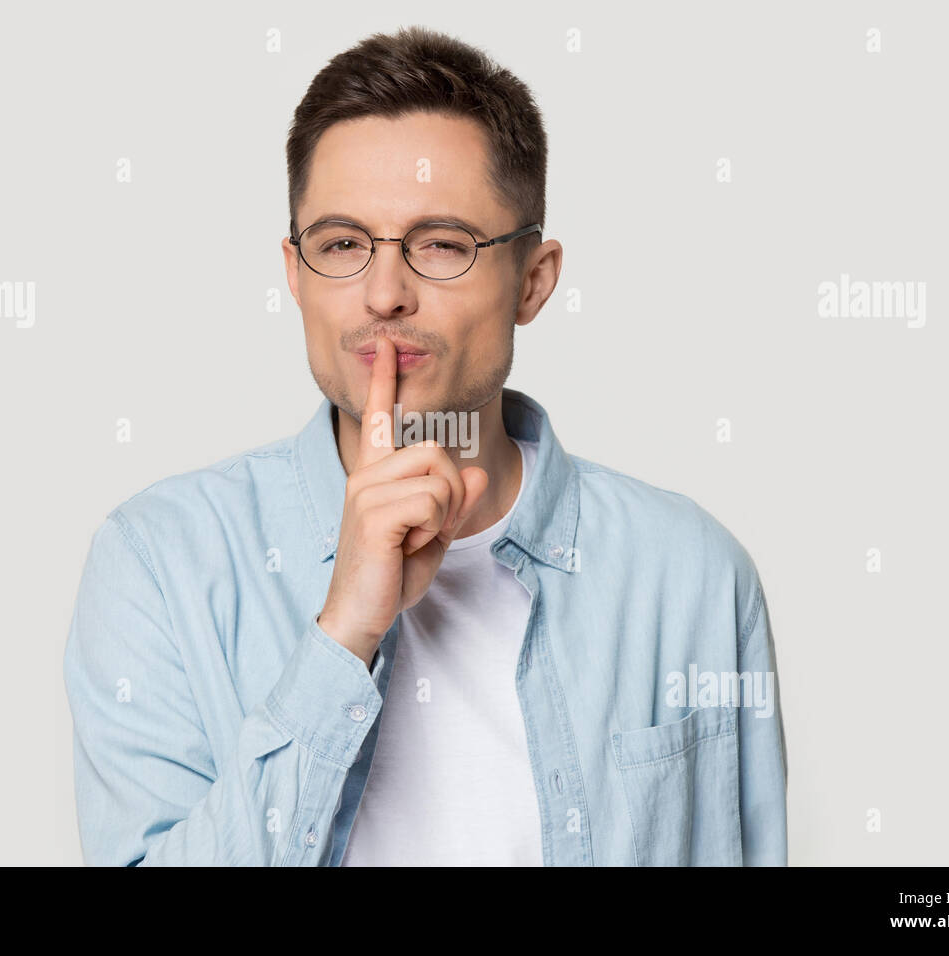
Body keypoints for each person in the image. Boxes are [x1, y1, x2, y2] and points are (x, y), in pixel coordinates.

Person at [63, 25, 786, 866]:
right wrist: (343, 635)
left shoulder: (693, 571)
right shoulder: (156, 560)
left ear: (535, 280)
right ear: (295, 276)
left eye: (441, 244)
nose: (383, 294)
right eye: (341, 244)